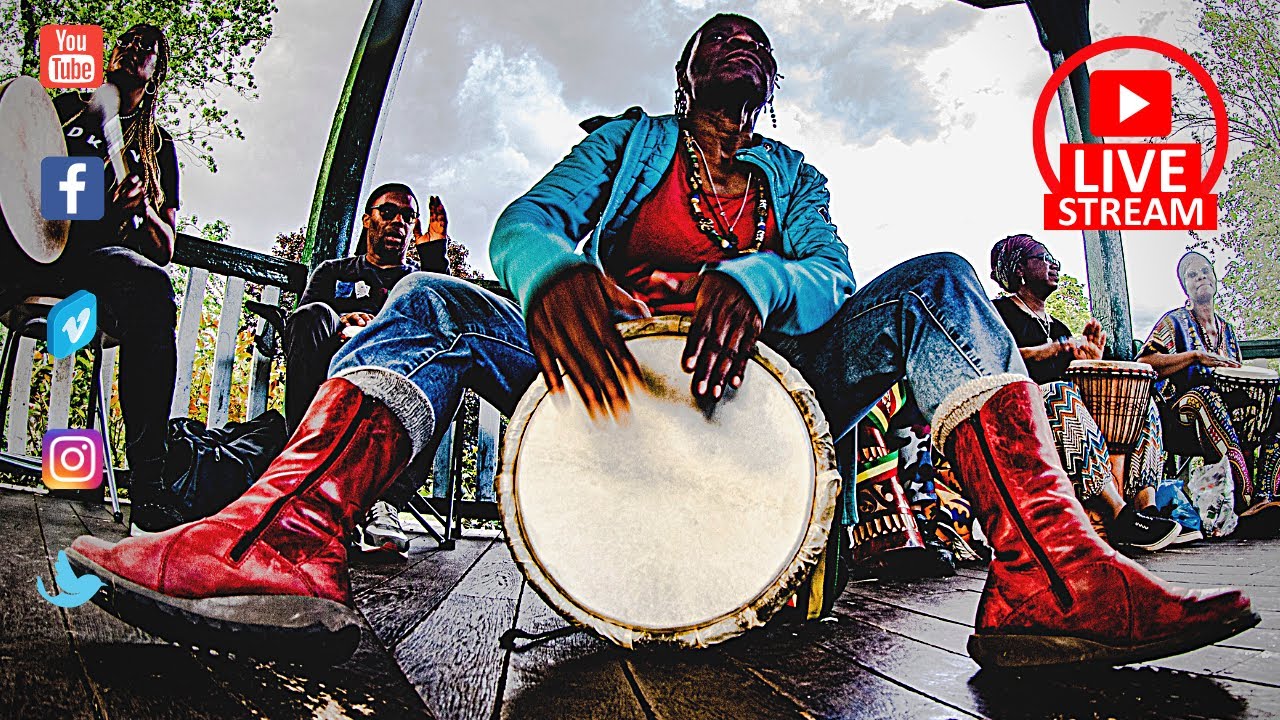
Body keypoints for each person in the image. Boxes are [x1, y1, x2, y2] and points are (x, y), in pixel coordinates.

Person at [68, 13, 1256, 670]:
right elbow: (522, 221)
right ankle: (279, 544)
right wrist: (555, 275)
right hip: (598, 390)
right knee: (429, 307)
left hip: (773, 392)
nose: (733, 47)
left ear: (770, 81)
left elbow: (833, 275)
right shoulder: (626, 144)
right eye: (713, 40)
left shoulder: (792, 175)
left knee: (943, 286)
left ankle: (1047, 577)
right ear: (686, 70)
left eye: (752, 43)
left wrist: (756, 278)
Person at [0, 25, 182, 535]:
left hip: (96, 264)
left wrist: (141, 210)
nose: (135, 48)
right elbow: (43, 203)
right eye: (128, 41)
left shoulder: (158, 147)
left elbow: (167, 249)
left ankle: (148, 486)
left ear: (157, 69)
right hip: (31, 251)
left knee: (152, 287)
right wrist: (101, 202)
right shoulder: (61, 114)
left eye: (150, 47)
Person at [284, 184, 449, 554]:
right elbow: (304, 321)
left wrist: (435, 257)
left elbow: (446, 322)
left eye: (408, 216)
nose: (398, 223)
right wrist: (343, 321)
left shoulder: (417, 283)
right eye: (387, 212)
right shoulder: (333, 272)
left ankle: (386, 501)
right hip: (335, 380)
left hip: (399, 386)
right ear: (367, 219)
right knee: (312, 316)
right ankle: (303, 471)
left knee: (452, 357)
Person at [989, 234, 1182, 550]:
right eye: (1044, 257)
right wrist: (1056, 350)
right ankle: (1117, 513)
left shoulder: (1060, 327)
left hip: (1065, 427)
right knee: (1057, 393)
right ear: (1019, 267)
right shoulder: (997, 313)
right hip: (1021, 419)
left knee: (1142, 403)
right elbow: (996, 357)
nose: (1054, 265)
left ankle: (1147, 508)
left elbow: (1078, 382)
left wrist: (1092, 360)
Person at [1137, 251, 1280, 536]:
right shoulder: (1173, 322)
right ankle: (1243, 497)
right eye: (1192, 274)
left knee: (1275, 405)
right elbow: (1145, 362)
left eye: (1205, 271)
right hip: (1181, 418)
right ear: (1185, 287)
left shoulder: (1227, 330)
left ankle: (1268, 497)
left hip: (1227, 418)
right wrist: (1194, 357)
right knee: (1205, 397)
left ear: (1215, 279)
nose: (1201, 276)